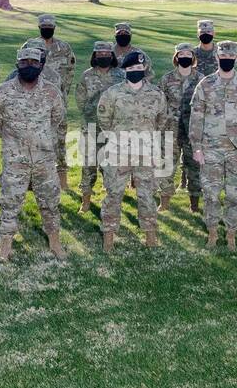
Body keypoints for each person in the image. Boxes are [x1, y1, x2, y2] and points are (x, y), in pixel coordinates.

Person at [0, 46, 67, 261]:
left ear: (41, 66)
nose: (29, 66)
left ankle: (55, 242)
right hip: (15, 159)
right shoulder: (2, 93)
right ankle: (5, 245)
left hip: (44, 158)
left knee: (50, 201)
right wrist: (11, 138)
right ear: (17, 65)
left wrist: (40, 137)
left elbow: (56, 118)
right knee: (10, 202)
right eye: (24, 62)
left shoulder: (51, 92)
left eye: (33, 63)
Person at [190, 40, 237, 251]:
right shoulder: (205, 84)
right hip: (210, 147)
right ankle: (212, 231)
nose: (227, 61)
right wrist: (197, 147)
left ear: (236, 58)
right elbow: (196, 116)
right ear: (216, 58)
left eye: (231, 58)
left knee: (235, 194)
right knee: (210, 193)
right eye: (223, 58)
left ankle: (231, 233)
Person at [96, 50, 168, 251]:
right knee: (113, 194)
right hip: (118, 153)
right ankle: (109, 236)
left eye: (139, 68)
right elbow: (103, 119)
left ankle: (150, 235)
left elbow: (162, 119)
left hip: (146, 152)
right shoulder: (112, 94)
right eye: (131, 68)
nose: (135, 71)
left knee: (146, 195)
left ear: (145, 69)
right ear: (125, 70)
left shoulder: (156, 94)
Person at [157, 43, 204, 212]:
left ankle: (194, 204)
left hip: (194, 130)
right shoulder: (166, 79)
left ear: (193, 57)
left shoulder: (202, 79)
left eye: (188, 54)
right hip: (171, 129)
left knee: (194, 167)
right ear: (176, 58)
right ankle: (164, 202)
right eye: (181, 54)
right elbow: (159, 104)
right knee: (166, 165)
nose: (185, 57)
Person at [76, 41, 122, 213]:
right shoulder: (87, 76)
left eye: (107, 54)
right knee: (88, 165)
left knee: (110, 165)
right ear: (94, 56)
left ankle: (111, 202)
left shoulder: (121, 75)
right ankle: (86, 201)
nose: (103, 56)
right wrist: (90, 114)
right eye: (100, 54)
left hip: (112, 129)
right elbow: (80, 99)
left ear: (112, 56)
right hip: (90, 127)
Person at [38, 13, 77, 188]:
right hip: (36, 105)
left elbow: (70, 71)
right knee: (36, 141)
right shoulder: (31, 46)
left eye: (50, 27)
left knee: (60, 141)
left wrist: (62, 93)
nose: (47, 29)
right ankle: (36, 179)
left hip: (58, 104)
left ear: (54, 28)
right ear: (39, 28)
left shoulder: (64, 48)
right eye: (44, 27)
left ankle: (62, 180)